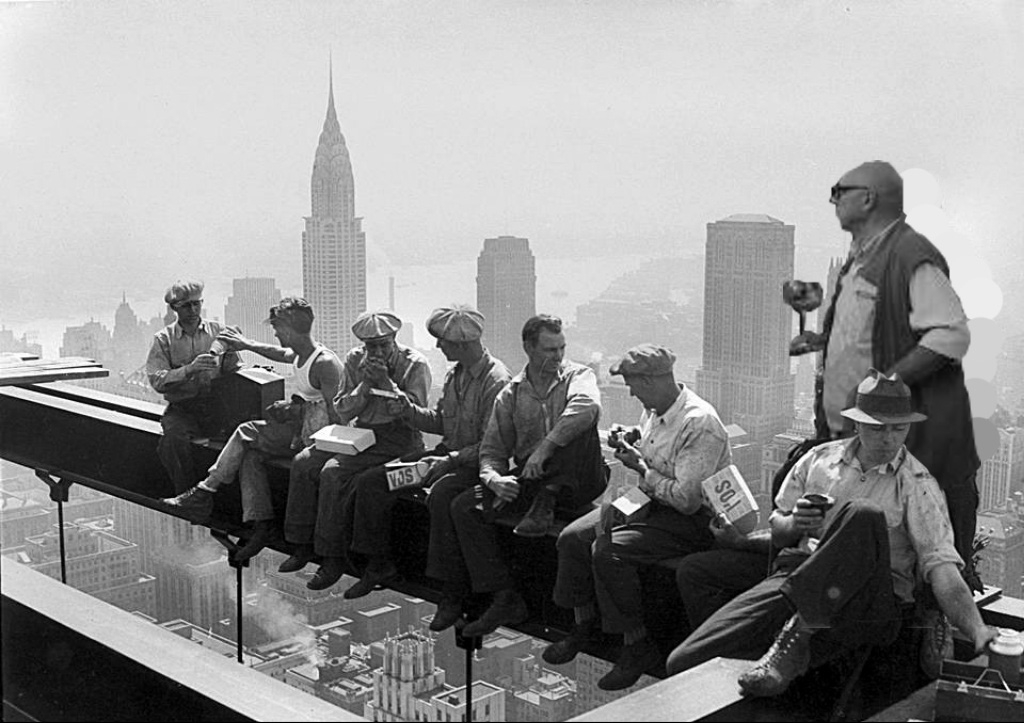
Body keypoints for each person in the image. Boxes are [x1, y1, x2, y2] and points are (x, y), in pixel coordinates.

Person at [665, 370, 997, 699]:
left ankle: (796, 638)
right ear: (857, 424)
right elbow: (779, 529)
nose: (889, 439)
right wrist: (796, 521)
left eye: (899, 429)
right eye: (878, 428)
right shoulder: (819, 460)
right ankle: (782, 654)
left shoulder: (916, 484)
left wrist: (977, 629)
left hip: (869, 602)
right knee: (683, 662)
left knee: (864, 515)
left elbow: (942, 569)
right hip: (799, 579)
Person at [798, 161, 980, 585]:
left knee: (933, 558)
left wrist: (889, 385)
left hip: (916, 436)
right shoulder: (861, 261)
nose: (836, 206)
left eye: (842, 196)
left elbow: (950, 332)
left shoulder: (911, 255)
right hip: (860, 436)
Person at [542, 344, 732, 691]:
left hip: (688, 519)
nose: (630, 391)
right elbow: (657, 452)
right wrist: (632, 439)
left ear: (651, 380)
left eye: (634, 384)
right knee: (572, 539)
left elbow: (687, 500)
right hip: (648, 499)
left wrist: (640, 465)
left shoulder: (699, 423)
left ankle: (636, 643)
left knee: (609, 550)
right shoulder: (656, 409)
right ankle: (582, 624)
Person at [448, 314, 606, 638]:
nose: (558, 356)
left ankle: (548, 495)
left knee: (579, 426)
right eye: (549, 350)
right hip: (534, 478)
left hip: (578, 477)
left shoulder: (579, 376)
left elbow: (587, 406)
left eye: (561, 348)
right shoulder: (511, 394)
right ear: (528, 348)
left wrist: (545, 447)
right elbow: (492, 450)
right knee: (465, 505)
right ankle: (503, 594)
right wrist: (493, 479)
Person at [340, 305, 512, 601]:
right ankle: (378, 563)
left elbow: (491, 445)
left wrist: (450, 461)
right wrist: (408, 411)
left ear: (461, 343)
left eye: (443, 340)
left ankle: (451, 589)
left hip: (473, 467)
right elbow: (439, 421)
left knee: (443, 496)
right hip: (445, 458)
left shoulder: (495, 381)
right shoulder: (455, 375)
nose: (438, 346)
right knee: (375, 482)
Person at [160, 298, 343, 561]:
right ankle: (261, 525)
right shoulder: (304, 354)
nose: (276, 334)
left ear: (289, 329)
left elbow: (338, 415)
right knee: (251, 455)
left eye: (278, 329)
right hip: (302, 432)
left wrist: (297, 411)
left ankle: (205, 490)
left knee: (247, 431)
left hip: (316, 441)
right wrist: (246, 344)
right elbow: (280, 354)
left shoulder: (325, 364)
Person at [281, 310, 431, 591]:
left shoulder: (415, 365)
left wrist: (386, 383)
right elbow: (341, 409)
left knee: (334, 473)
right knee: (303, 462)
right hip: (360, 434)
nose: (376, 352)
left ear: (394, 340)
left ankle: (332, 556)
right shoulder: (354, 359)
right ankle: (300, 542)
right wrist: (365, 385)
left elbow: (417, 414)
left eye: (382, 345)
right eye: (370, 346)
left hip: (398, 440)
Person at [147, 279, 241, 494]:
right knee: (172, 442)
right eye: (186, 306)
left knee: (239, 441)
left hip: (217, 407)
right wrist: (189, 369)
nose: (193, 310)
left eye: (196, 304)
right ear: (174, 309)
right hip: (183, 409)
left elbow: (235, 370)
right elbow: (157, 380)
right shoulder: (164, 339)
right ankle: (187, 495)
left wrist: (227, 361)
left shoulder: (218, 331)